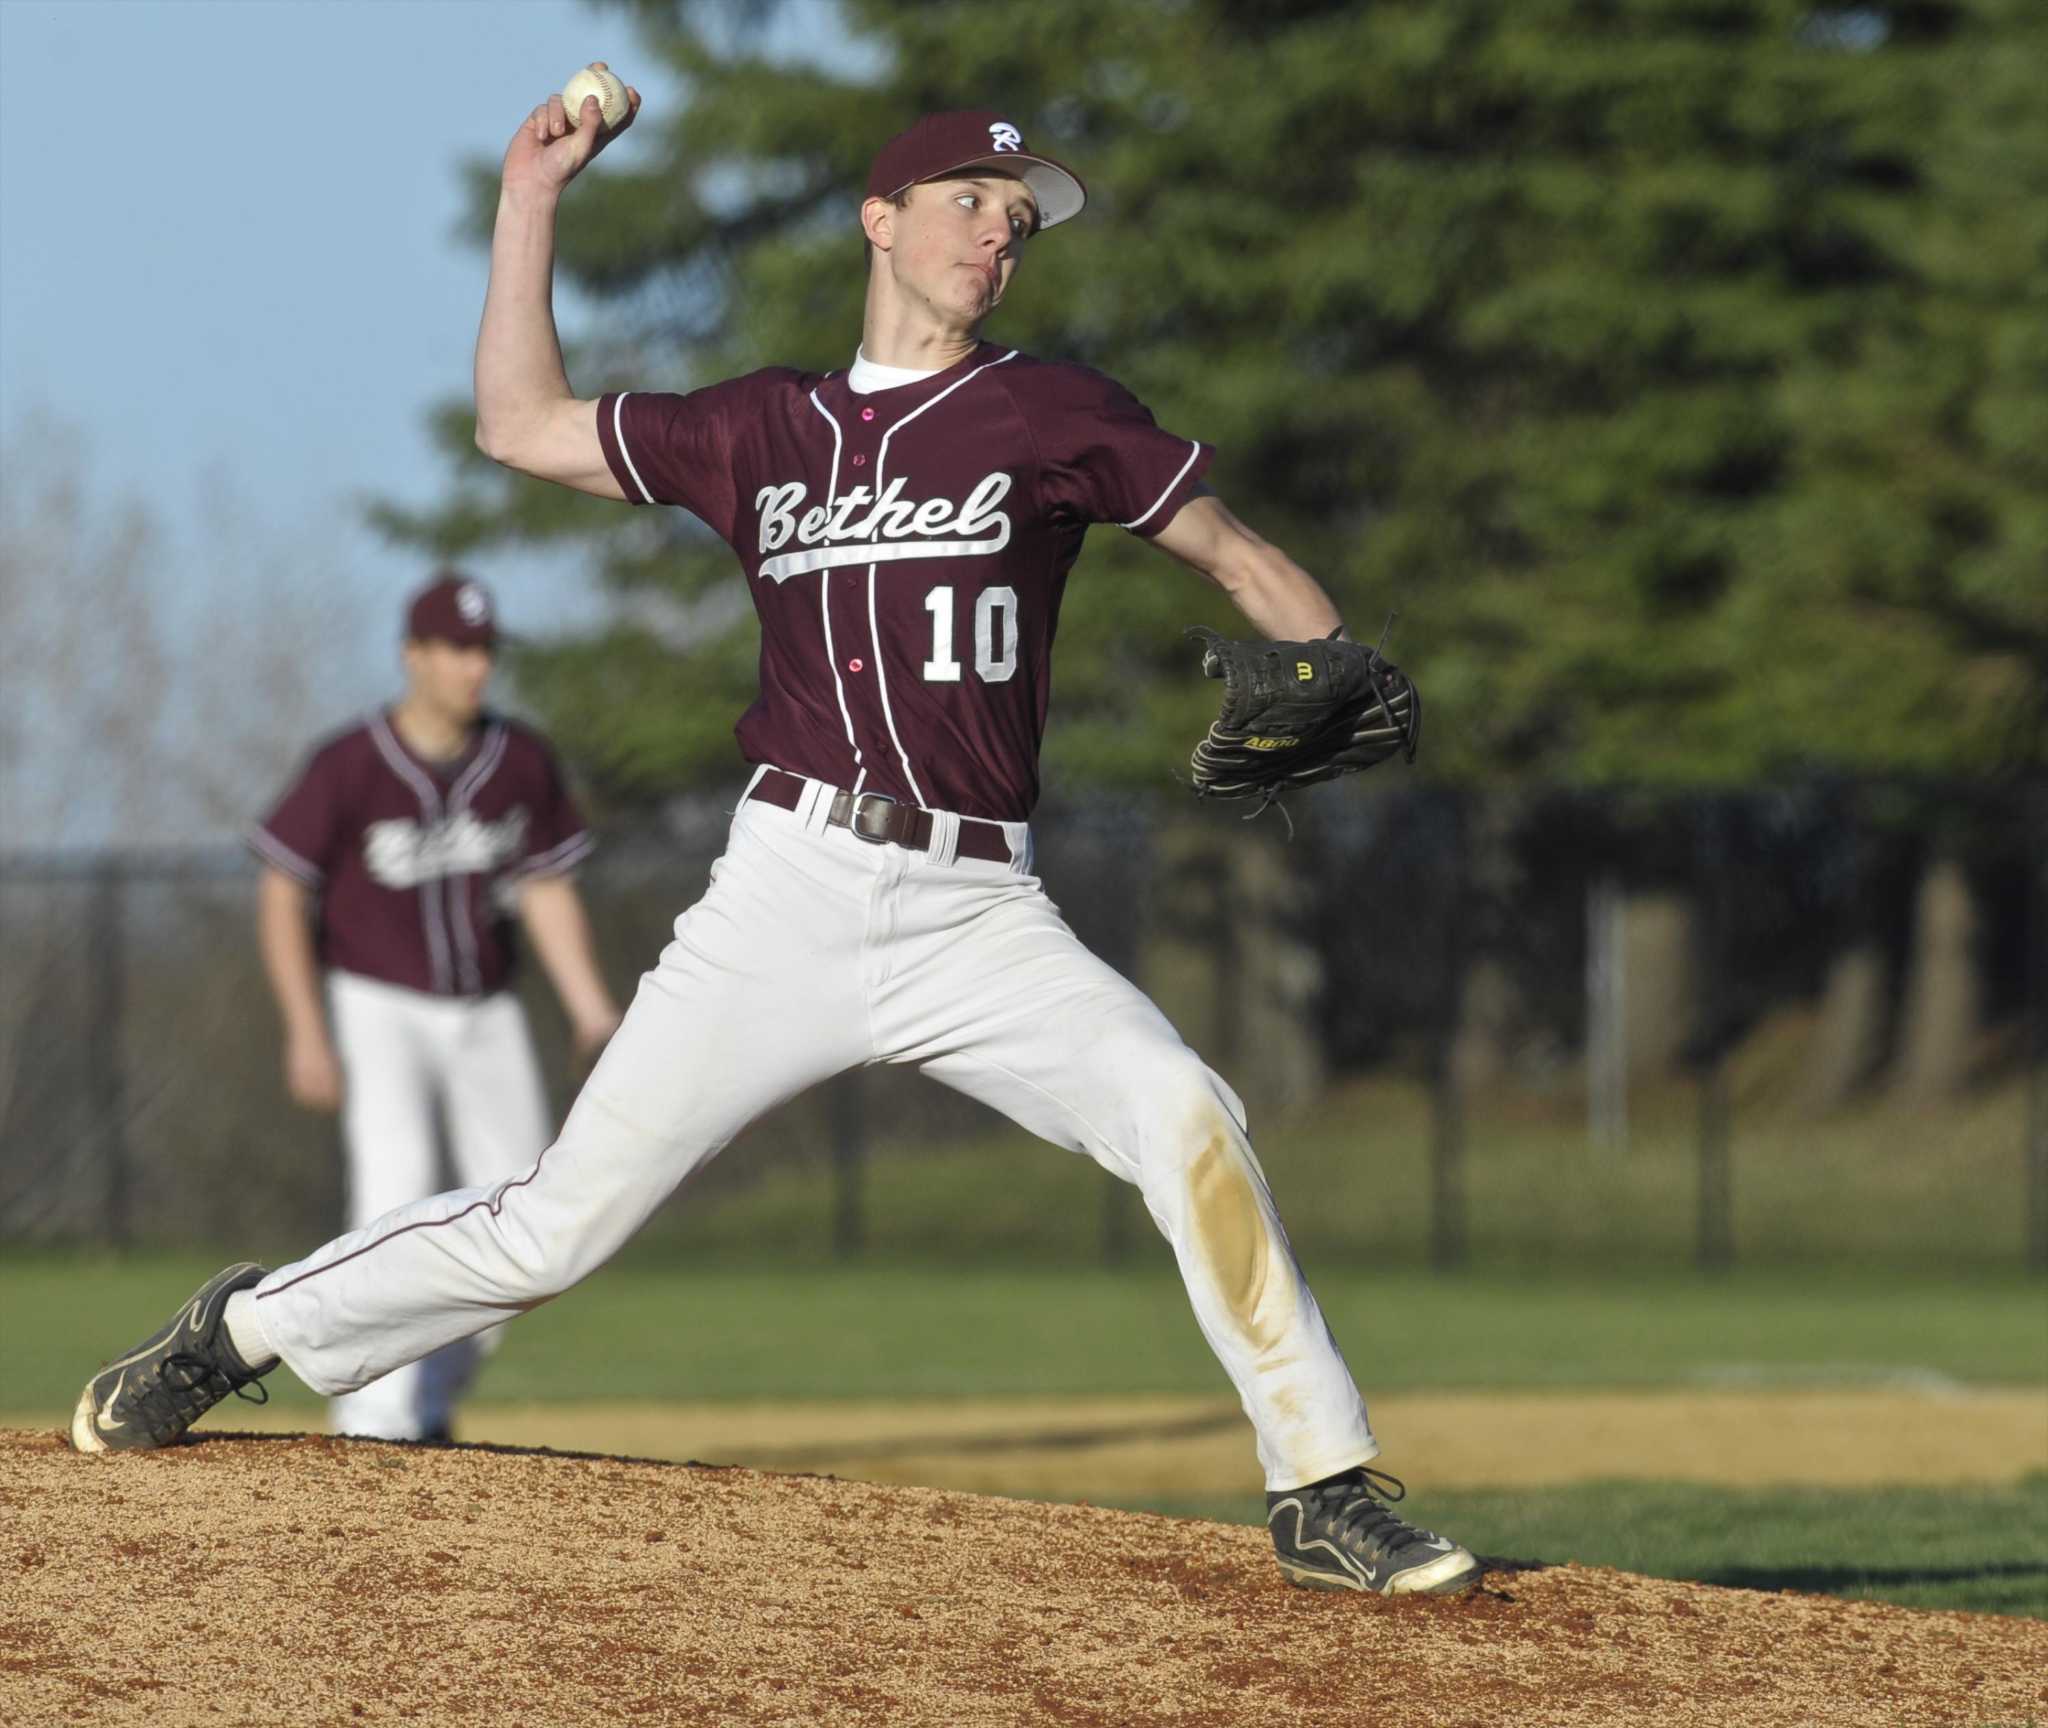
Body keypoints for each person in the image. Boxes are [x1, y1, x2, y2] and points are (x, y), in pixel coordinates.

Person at [70, 82, 1481, 1598]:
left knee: (1183, 1110)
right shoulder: (761, 428)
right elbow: (519, 426)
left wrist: (1330, 648)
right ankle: (240, 1331)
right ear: (879, 219)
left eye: (1017, 220)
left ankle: (1321, 1485)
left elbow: (1234, 554)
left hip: (978, 911)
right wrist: (531, 200)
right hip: (787, 890)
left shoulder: (1051, 412)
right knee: (554, 1231)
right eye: (967, 201)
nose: (996, 236)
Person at [246, 570, 622, 1440]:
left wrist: (592, 1011)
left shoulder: (519, 759)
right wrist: (305, 1031)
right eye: (456, 648)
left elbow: (546, 886)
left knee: (536, 1218)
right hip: (377, 1003)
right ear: (412, 653)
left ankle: (427, 1402)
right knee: (395, 1192)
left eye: (484, 649)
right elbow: (281, 889)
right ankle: (372, 1425)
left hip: (487, 1009)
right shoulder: (349, 762)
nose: (474, 667)